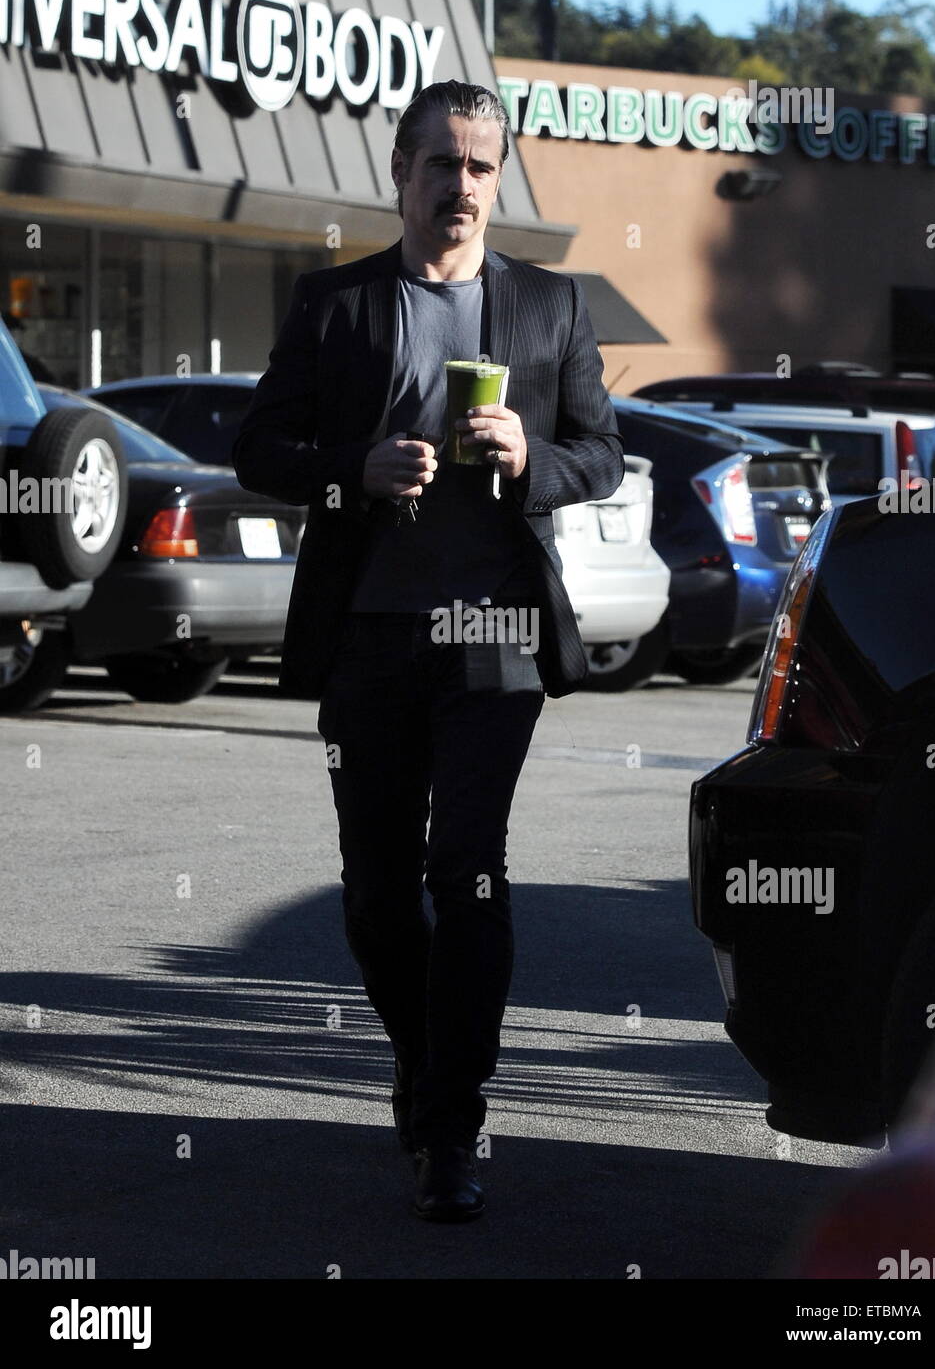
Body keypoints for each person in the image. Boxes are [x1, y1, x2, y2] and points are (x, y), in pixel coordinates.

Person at [233, 80, 624, 1222]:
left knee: (469, 869)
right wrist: (349, 468)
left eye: (480, 166)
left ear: (497, 179)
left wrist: (530, 456)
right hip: (370, 633)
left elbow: (602, 452)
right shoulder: (336, 304)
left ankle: (451, 1122)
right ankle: (422, 1061)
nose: (461, 185)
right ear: (400, 172)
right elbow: (258, 447)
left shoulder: (549, 303)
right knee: (375, 893)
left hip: (494, 634)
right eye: (441, 163)